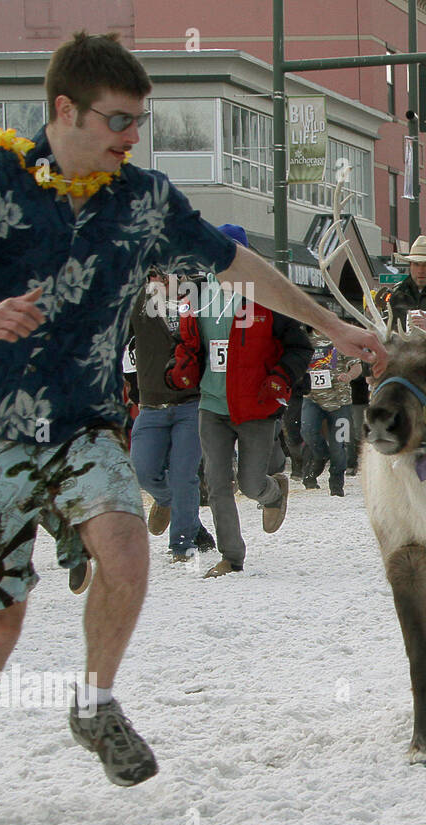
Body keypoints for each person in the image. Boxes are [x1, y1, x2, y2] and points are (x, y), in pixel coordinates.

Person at [0, 32, 386, 789]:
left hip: (83, 424)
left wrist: (332, 326)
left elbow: (241, 266)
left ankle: (96, 702)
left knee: (127, 551)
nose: (132, 137)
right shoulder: (1, 182)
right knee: (4, 620)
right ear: (65, 110)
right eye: (117, 121)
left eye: (140, 120)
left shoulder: (142, 204)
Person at [166, 225, 315, 576]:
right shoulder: (197, 295)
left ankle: (273, 493)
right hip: (212, 404)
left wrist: (280, 378)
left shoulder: (266, 295)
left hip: (256, 406)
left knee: (250, 484)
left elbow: (300, 347)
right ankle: (232, 557)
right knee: (217, 484)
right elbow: (187, 343)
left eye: (232, 251)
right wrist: (181, 364)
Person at [128, 269, 215, 560]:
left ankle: (181, 543)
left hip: (190, 403)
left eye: (168, 273)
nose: (160, 279)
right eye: (154, 274)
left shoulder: (199, 299)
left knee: (183, 474)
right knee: (144, 472)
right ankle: (185, 515)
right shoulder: (139, 302)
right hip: (151, 405)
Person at [300, 332, 361, 496]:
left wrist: (349, 375)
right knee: (307, 430)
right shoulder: (305, 339)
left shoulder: (341, 339)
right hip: (312, 398)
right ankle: (321, 455)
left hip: (340, 402)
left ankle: (336, 485)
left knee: (339, 445)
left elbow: (357, 366)